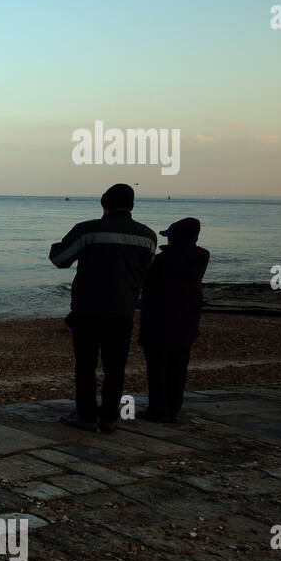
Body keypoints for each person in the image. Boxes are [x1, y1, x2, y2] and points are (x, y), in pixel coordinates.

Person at [49, 183, 157, 432]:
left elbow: (59, 259)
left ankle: (86, 416)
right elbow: (146, 271)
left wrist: (59, 244)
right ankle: (109, 417)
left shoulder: (89, 230)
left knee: (86, 365)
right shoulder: (147, 236)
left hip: (88, 309)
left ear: (103, 203)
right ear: (131, 205)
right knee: (115, 366)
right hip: (123, 310)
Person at [138, 218, 209, 422]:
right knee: (179, 365)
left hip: (159, 319)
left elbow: (145, 281)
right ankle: (173, 407)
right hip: (187, 319)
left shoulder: (161, 261)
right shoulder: (201, 257)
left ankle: (158, 409)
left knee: (158, 366)